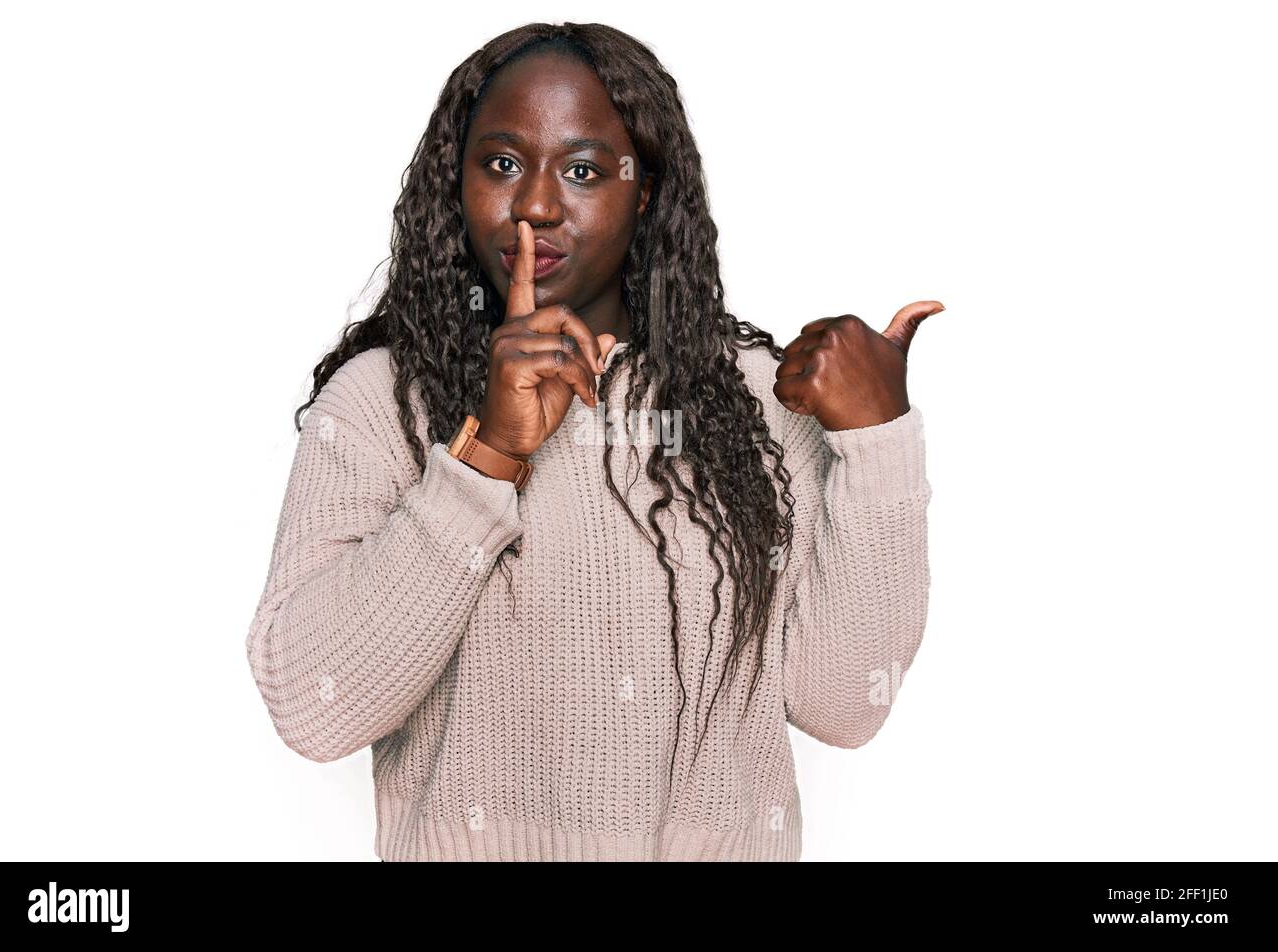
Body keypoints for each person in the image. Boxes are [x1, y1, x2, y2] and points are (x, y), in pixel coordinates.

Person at [244, 21, 941, 861]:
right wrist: (486, 458)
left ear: (644, 192)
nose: (535, 205)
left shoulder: (754, 402)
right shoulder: (385, 402)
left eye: (581, 171)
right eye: (501, 164)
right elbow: (313, 712)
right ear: (453, 181)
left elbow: (842, 704)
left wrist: (877, 441)